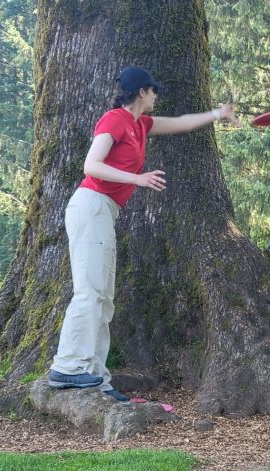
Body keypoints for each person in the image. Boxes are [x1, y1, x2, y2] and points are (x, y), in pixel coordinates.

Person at [47, 66, 240, 401]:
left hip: (104, 211)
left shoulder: (142, 124)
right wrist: (137, 179)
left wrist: (217, 114)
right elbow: (91, 165)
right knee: (90, 291)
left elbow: (181, 122)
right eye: (154, 91)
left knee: (104, 298)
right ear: (141, 91)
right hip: (90, 206)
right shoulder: (114, 119)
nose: (156, 97)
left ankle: (94, 376)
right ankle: (68, 367)